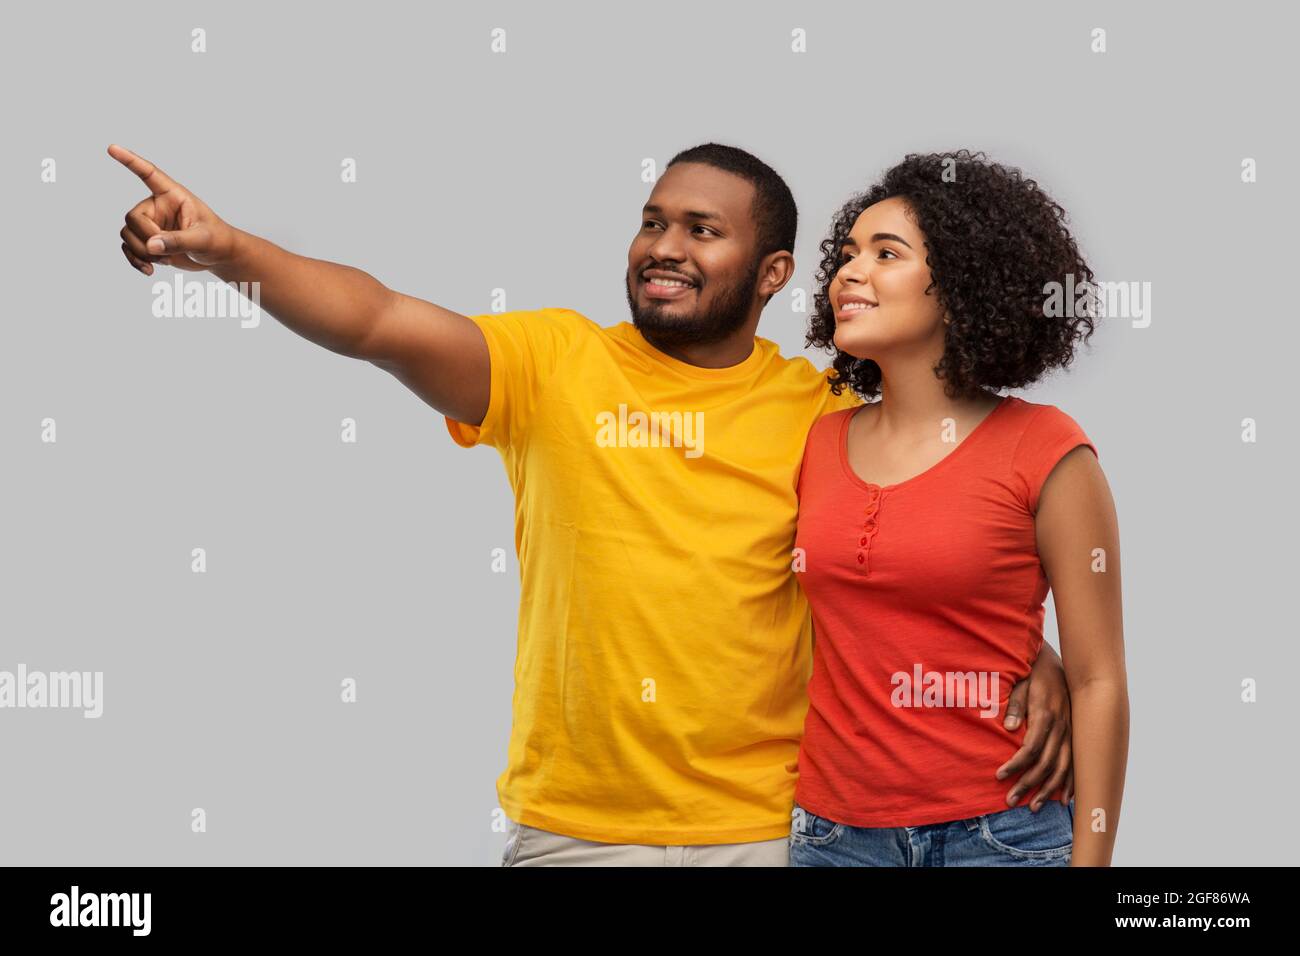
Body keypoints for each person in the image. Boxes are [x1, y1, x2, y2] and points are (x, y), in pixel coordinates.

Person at [109, 141, 1075, 866]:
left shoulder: (821, 412)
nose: (666, 247)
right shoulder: (552, 365)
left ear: (774, 273)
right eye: (654, 220)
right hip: (573, 833)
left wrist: (1036, 658)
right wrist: (231, 249)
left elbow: (909, 560)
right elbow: (374, 317)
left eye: (704, 231)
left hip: (771, 832)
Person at [790, 151, 1128, 867]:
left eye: (887, 254)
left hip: (1001, 834)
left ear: (962, 284)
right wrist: (1026, 654)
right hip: (832, 839)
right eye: (848, 254)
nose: (850, 272)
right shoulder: (818, 439)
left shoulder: (1046, 449)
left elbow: (1099, 681)